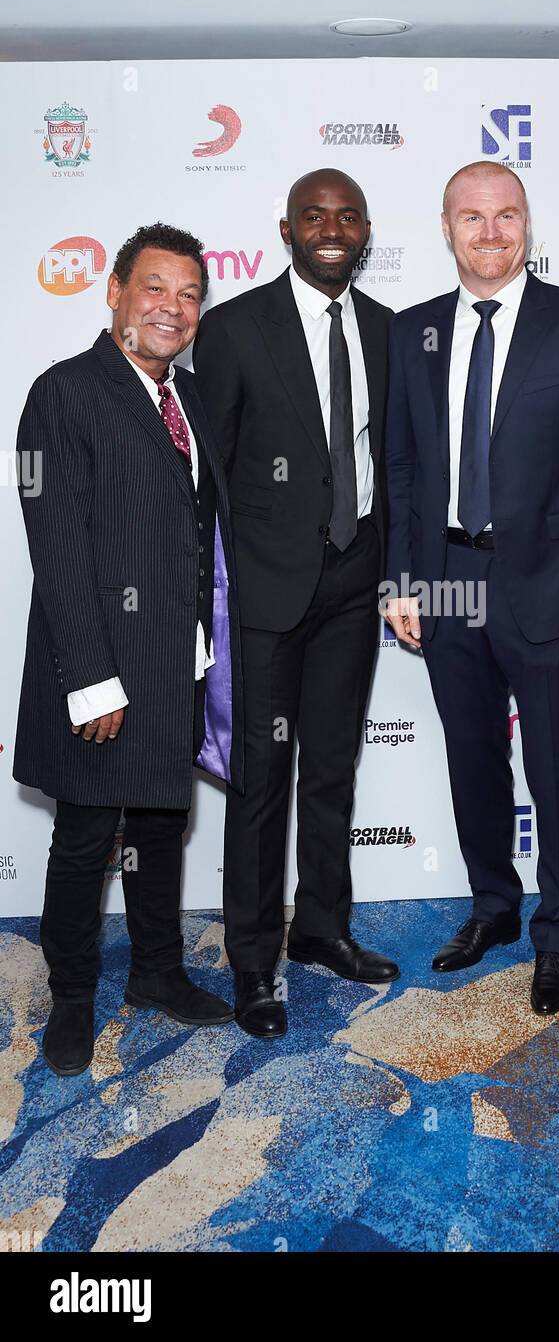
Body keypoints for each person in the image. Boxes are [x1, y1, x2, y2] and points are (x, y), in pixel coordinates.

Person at [384, 160, 559, 1015]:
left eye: (506, 216)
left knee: (555, 769)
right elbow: (404, 467)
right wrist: (401, 580)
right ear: (445, 226)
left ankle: (555, 934)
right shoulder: (412, 331)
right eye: (471, 217)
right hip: (447, 579)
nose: (489, 232)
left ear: (527, 224)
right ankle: (493, 907)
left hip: (554, 585)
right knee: (471, 758)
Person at [14, 222, 244, 1076]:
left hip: (174, 663)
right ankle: (72, 999)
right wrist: (92, 682)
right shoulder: (65, 392)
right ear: (114, 291)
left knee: (159, 824)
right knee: (85, 838)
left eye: (188, 295)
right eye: (155, 287)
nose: (172, 308)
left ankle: (154, 974)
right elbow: (59, 549)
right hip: (101, 670)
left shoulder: (186, 403)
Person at [194, 169, 398, 1040]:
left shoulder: (387, 332)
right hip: (267, 596)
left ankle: (320, 927)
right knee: (260, 782)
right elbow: (212, 476)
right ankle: (252, 962)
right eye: (314, 215)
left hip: (355, 584)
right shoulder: (235, 328)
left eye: (347, 215)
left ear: (364, 230)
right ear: (286, 228)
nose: (331, 228)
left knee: (331, 771)